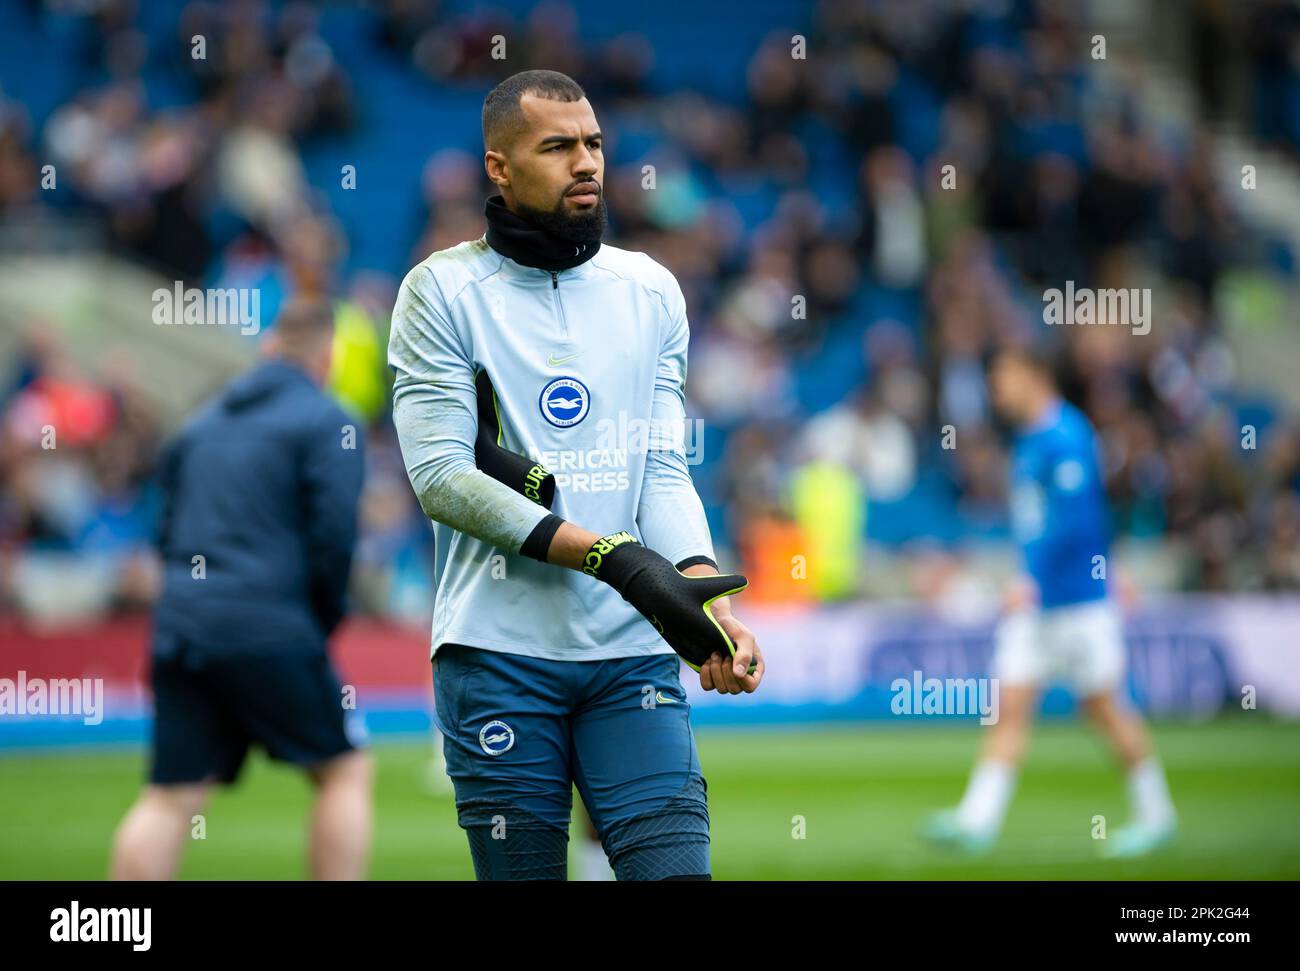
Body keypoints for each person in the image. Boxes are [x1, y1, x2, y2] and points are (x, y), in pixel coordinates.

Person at [389, 69, 765, 881]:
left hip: (629, 655)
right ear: (499, 166)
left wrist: (705, 592)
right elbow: (441, 477)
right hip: (496, 653)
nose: (585, 161)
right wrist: (614, 558)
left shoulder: (651, 290)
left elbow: (660, 466)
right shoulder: (441, 292)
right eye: (557, 147)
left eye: (593, 143)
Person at [110, 300, 371, 880]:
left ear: (268, 349)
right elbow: (335, 536)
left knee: (171, 795)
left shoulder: (197, 424)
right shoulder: (331, 420)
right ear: (326, 358)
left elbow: (165, 530)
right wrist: (320, 618)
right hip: (269, 622)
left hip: (182, 623)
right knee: (343, 771)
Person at [923, 345, 1177, 858]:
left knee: (1103, 706)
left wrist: (1034, 578)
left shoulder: (1067, 435)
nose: (996, 389)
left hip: (1076, 602)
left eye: (1004, 376)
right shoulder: (1033, 439)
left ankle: (1156, 813)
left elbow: (1076, 522)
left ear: (1034, 374)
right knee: (1010, 707)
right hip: (1039, 605)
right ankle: (977, 820)